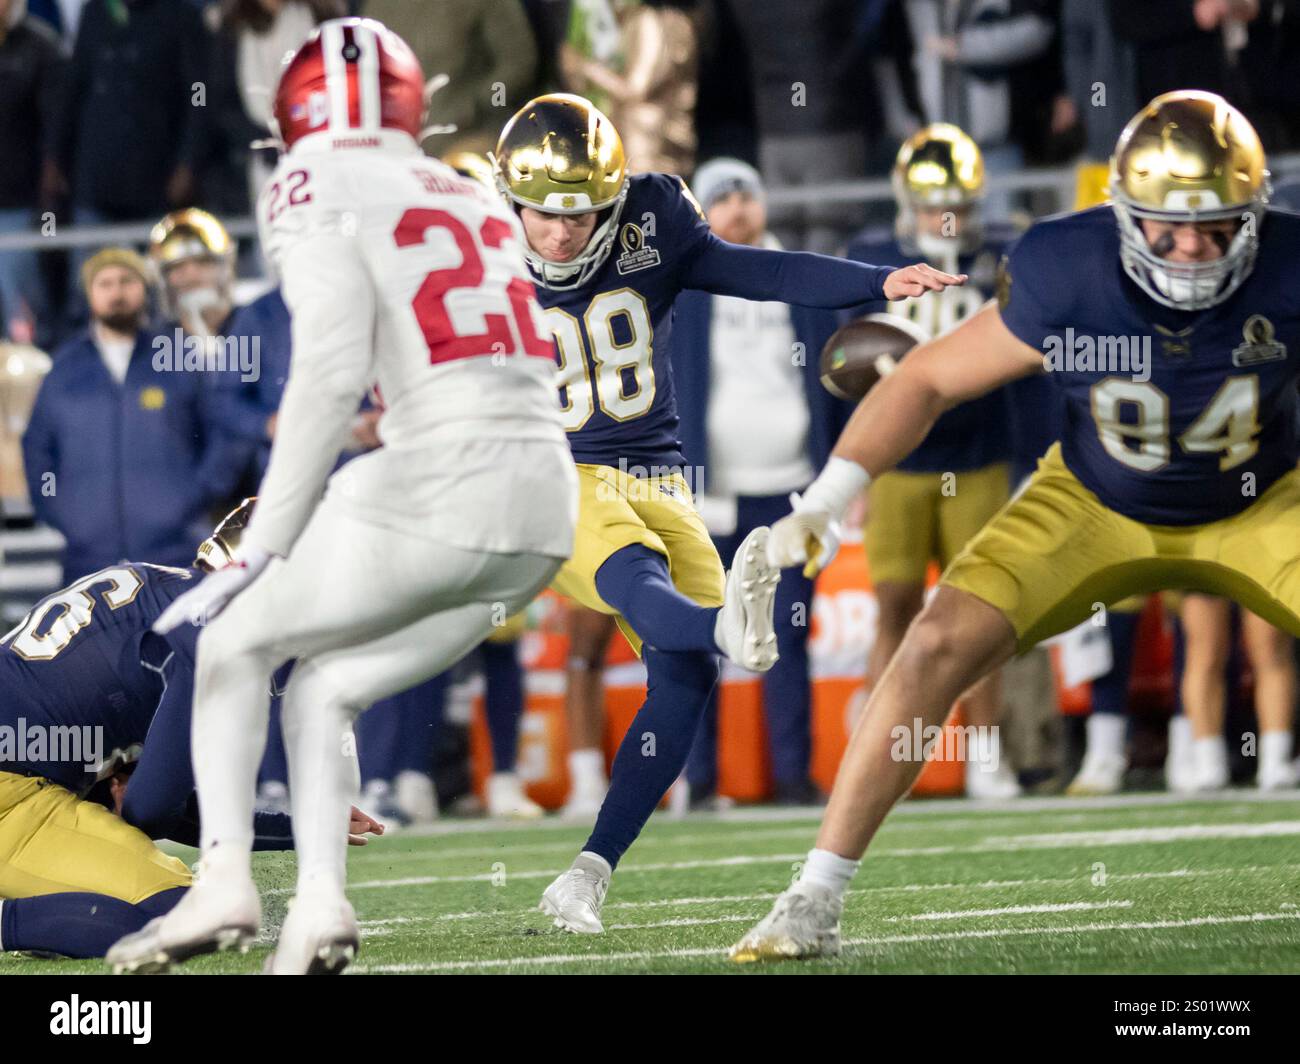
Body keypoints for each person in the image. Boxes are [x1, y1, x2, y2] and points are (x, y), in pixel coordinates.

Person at [730, 90, 1300, 961]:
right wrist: (827, 496)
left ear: (1254, 219)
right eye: (1167, 228)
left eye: (1217, 228)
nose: (1190, 250)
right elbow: (925, 379)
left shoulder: (1291, 267)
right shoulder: (1067, 266)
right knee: (932, 641)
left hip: (1263, 499)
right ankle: (814, 894)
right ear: (1122, 215)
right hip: (1097, 501)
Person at [107, 17, 577, 976]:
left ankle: (225, 882)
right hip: (543, 512)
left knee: (233, 638)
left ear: (299, 109)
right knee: (324, 688)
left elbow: (325, 373)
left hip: (445, 479)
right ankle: (319, 906)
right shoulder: (469, 184)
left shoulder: (311, 176)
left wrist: (265, 544)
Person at [492, 92, 966, 934]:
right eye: (542, 216)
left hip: (658, 471)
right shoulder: (477, 248)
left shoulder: (654, 217)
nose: (561, 236)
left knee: (684, 679)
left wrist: (875, 284)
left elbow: (764, 273)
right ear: (509, 201)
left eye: (580, 216)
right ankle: (719, 625)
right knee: (647, 583)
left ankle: (586, 875)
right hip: (551, 469)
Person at [0, 501, 381, 964]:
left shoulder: (161, 588)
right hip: (13, 793)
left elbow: (157, 801)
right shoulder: (208, 641)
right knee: (184, 918)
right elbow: (152, 809)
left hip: (26, 773)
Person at [845, 124, 1022, 798]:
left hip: (976, 458)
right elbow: (845, 374)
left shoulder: (999, 259)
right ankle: (876, 758)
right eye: (930, 205)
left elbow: (1028, 369)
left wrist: (1031, 456)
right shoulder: (875, 260)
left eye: (955, 205)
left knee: (976, 617)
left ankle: (986, 758)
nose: (942, 220)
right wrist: (849, 466)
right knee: (894, 609)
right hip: (898, 462)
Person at [675, 158, 850, 806]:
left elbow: (835, 376)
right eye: (721, 198)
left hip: (792, 484)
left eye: (746, 194)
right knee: (700, 633)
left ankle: (793, 775)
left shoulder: (796, 276)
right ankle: (696, 780)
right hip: (709, 487)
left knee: (788, 632)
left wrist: (838, 474)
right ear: (703, 212)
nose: (737, 207)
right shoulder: (686, 282)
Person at [22, 248, 248, 581]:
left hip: (177, 551)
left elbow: (224, 428)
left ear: (144, 289)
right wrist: (61, 512)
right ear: (90, 294)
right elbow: (38, 448)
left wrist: (197, 494)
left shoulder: (177, 355)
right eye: (105, 283)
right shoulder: (64, 369)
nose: (117, 292)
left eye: (127, 281)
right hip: (88, 562)